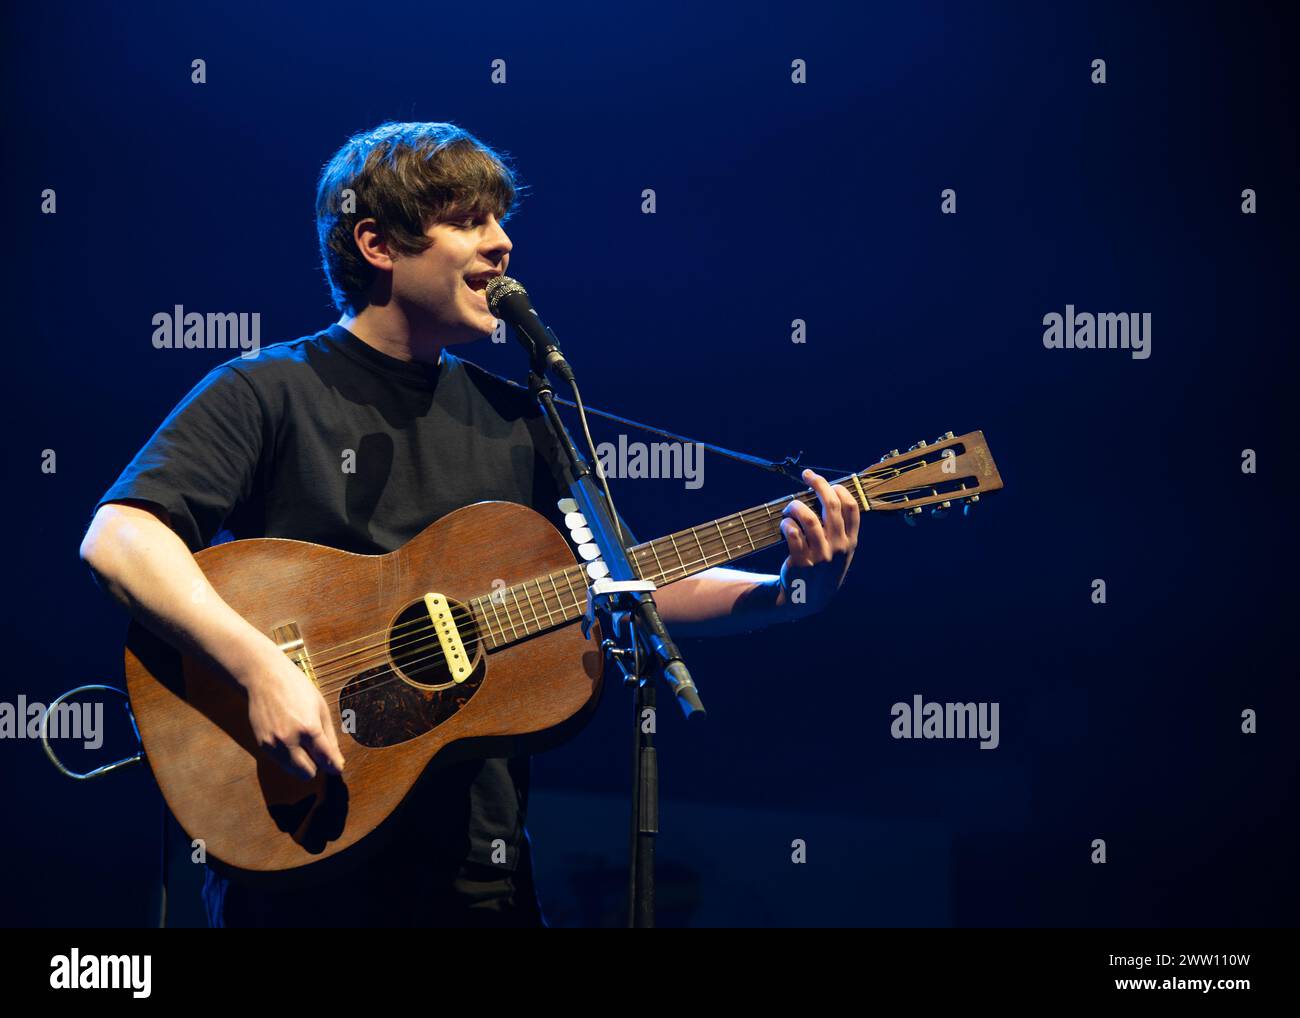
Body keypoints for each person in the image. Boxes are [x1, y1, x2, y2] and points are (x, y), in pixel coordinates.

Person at [79, 121, 860, 927]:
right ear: (378, 243)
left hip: (476, 882)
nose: (502, 244)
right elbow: (119, 538)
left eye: (500, 220)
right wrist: (261, 670)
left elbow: (627, 578)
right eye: (469, 221)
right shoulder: (267, 390)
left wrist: (790, 593)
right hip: (300, 865)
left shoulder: (523, 419)